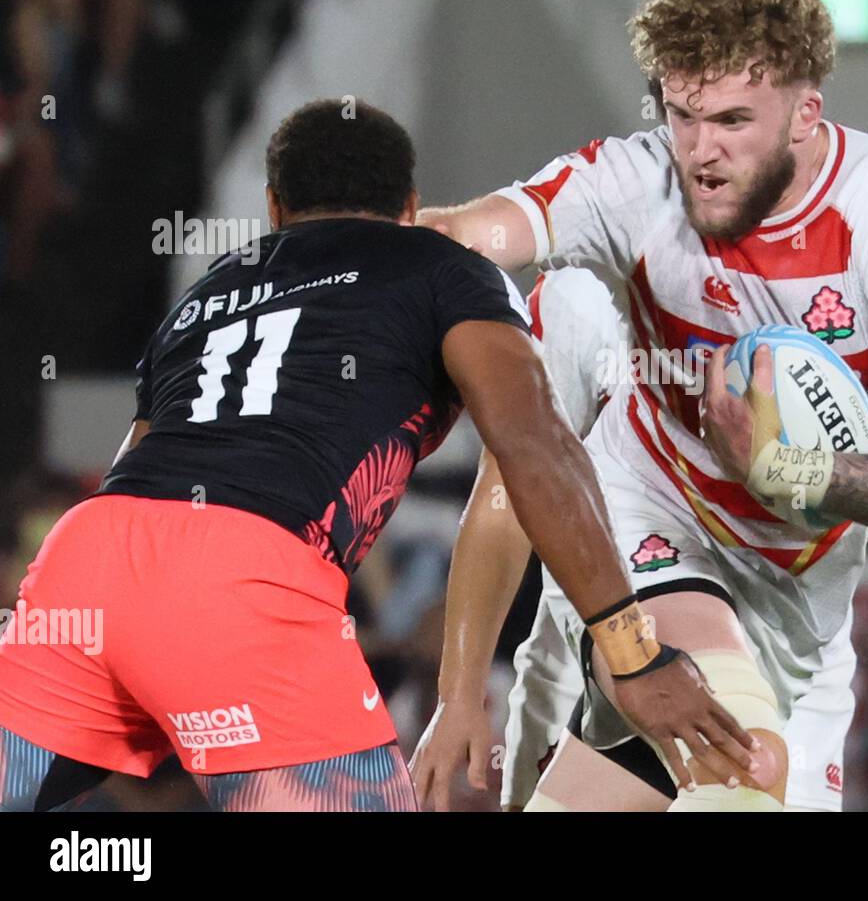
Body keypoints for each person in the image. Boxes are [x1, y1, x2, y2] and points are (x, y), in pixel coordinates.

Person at [412, 0, 868, 811]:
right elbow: (469, 233)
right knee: (744, 768)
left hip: (798, 607)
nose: (701, 152)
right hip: (646, 521)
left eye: (731, 120)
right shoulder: (630, 188)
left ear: (805, 113)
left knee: (734, 773)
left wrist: (799, 468)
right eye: (682, 117)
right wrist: (356, 244)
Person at [0, 98, 754, 813]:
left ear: (273, 208)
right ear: (411, 204)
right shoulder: (442, 266)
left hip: (91, 554)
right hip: (244, 574)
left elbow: (141, 461)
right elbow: (535, 447)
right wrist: (633, 652)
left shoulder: (204, 296)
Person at [412, 266, 868, 811]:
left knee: (745, 771)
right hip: (641, 577)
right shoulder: (585, 294)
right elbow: (506, 492)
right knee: (743, 762)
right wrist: (460, 691)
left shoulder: (856, 266)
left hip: (793, 632)